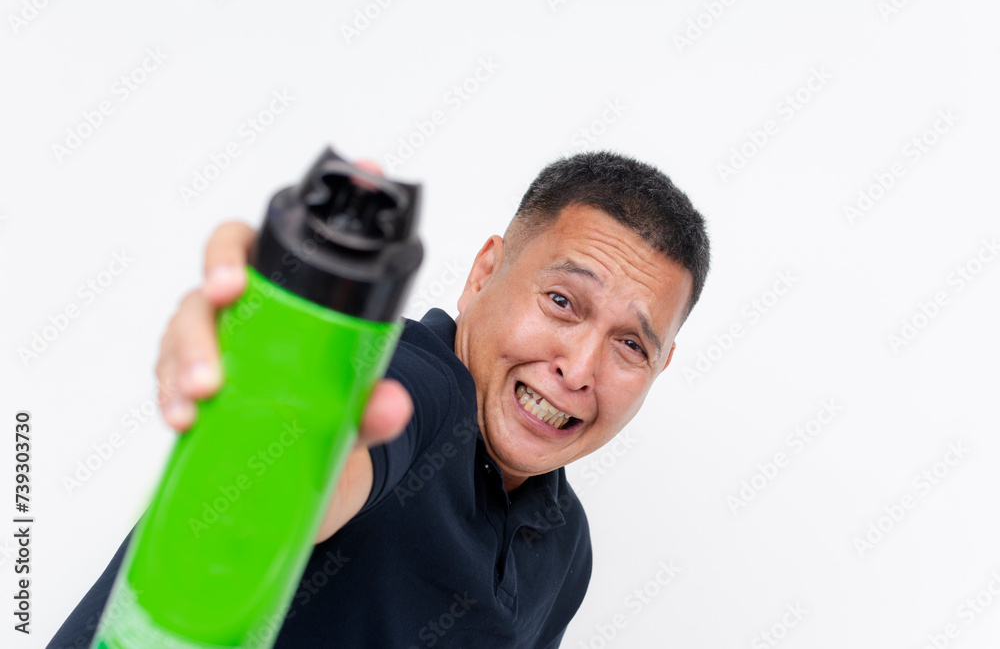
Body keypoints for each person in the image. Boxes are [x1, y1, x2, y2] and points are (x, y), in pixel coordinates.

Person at [48, 150, 710, 648]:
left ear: (660, 365)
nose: (579, 366)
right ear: (484, 274)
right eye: (563, 301)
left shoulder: (567, 547)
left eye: (631, 345)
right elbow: (319, 473)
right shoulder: (407, 387)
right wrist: (266, 390)